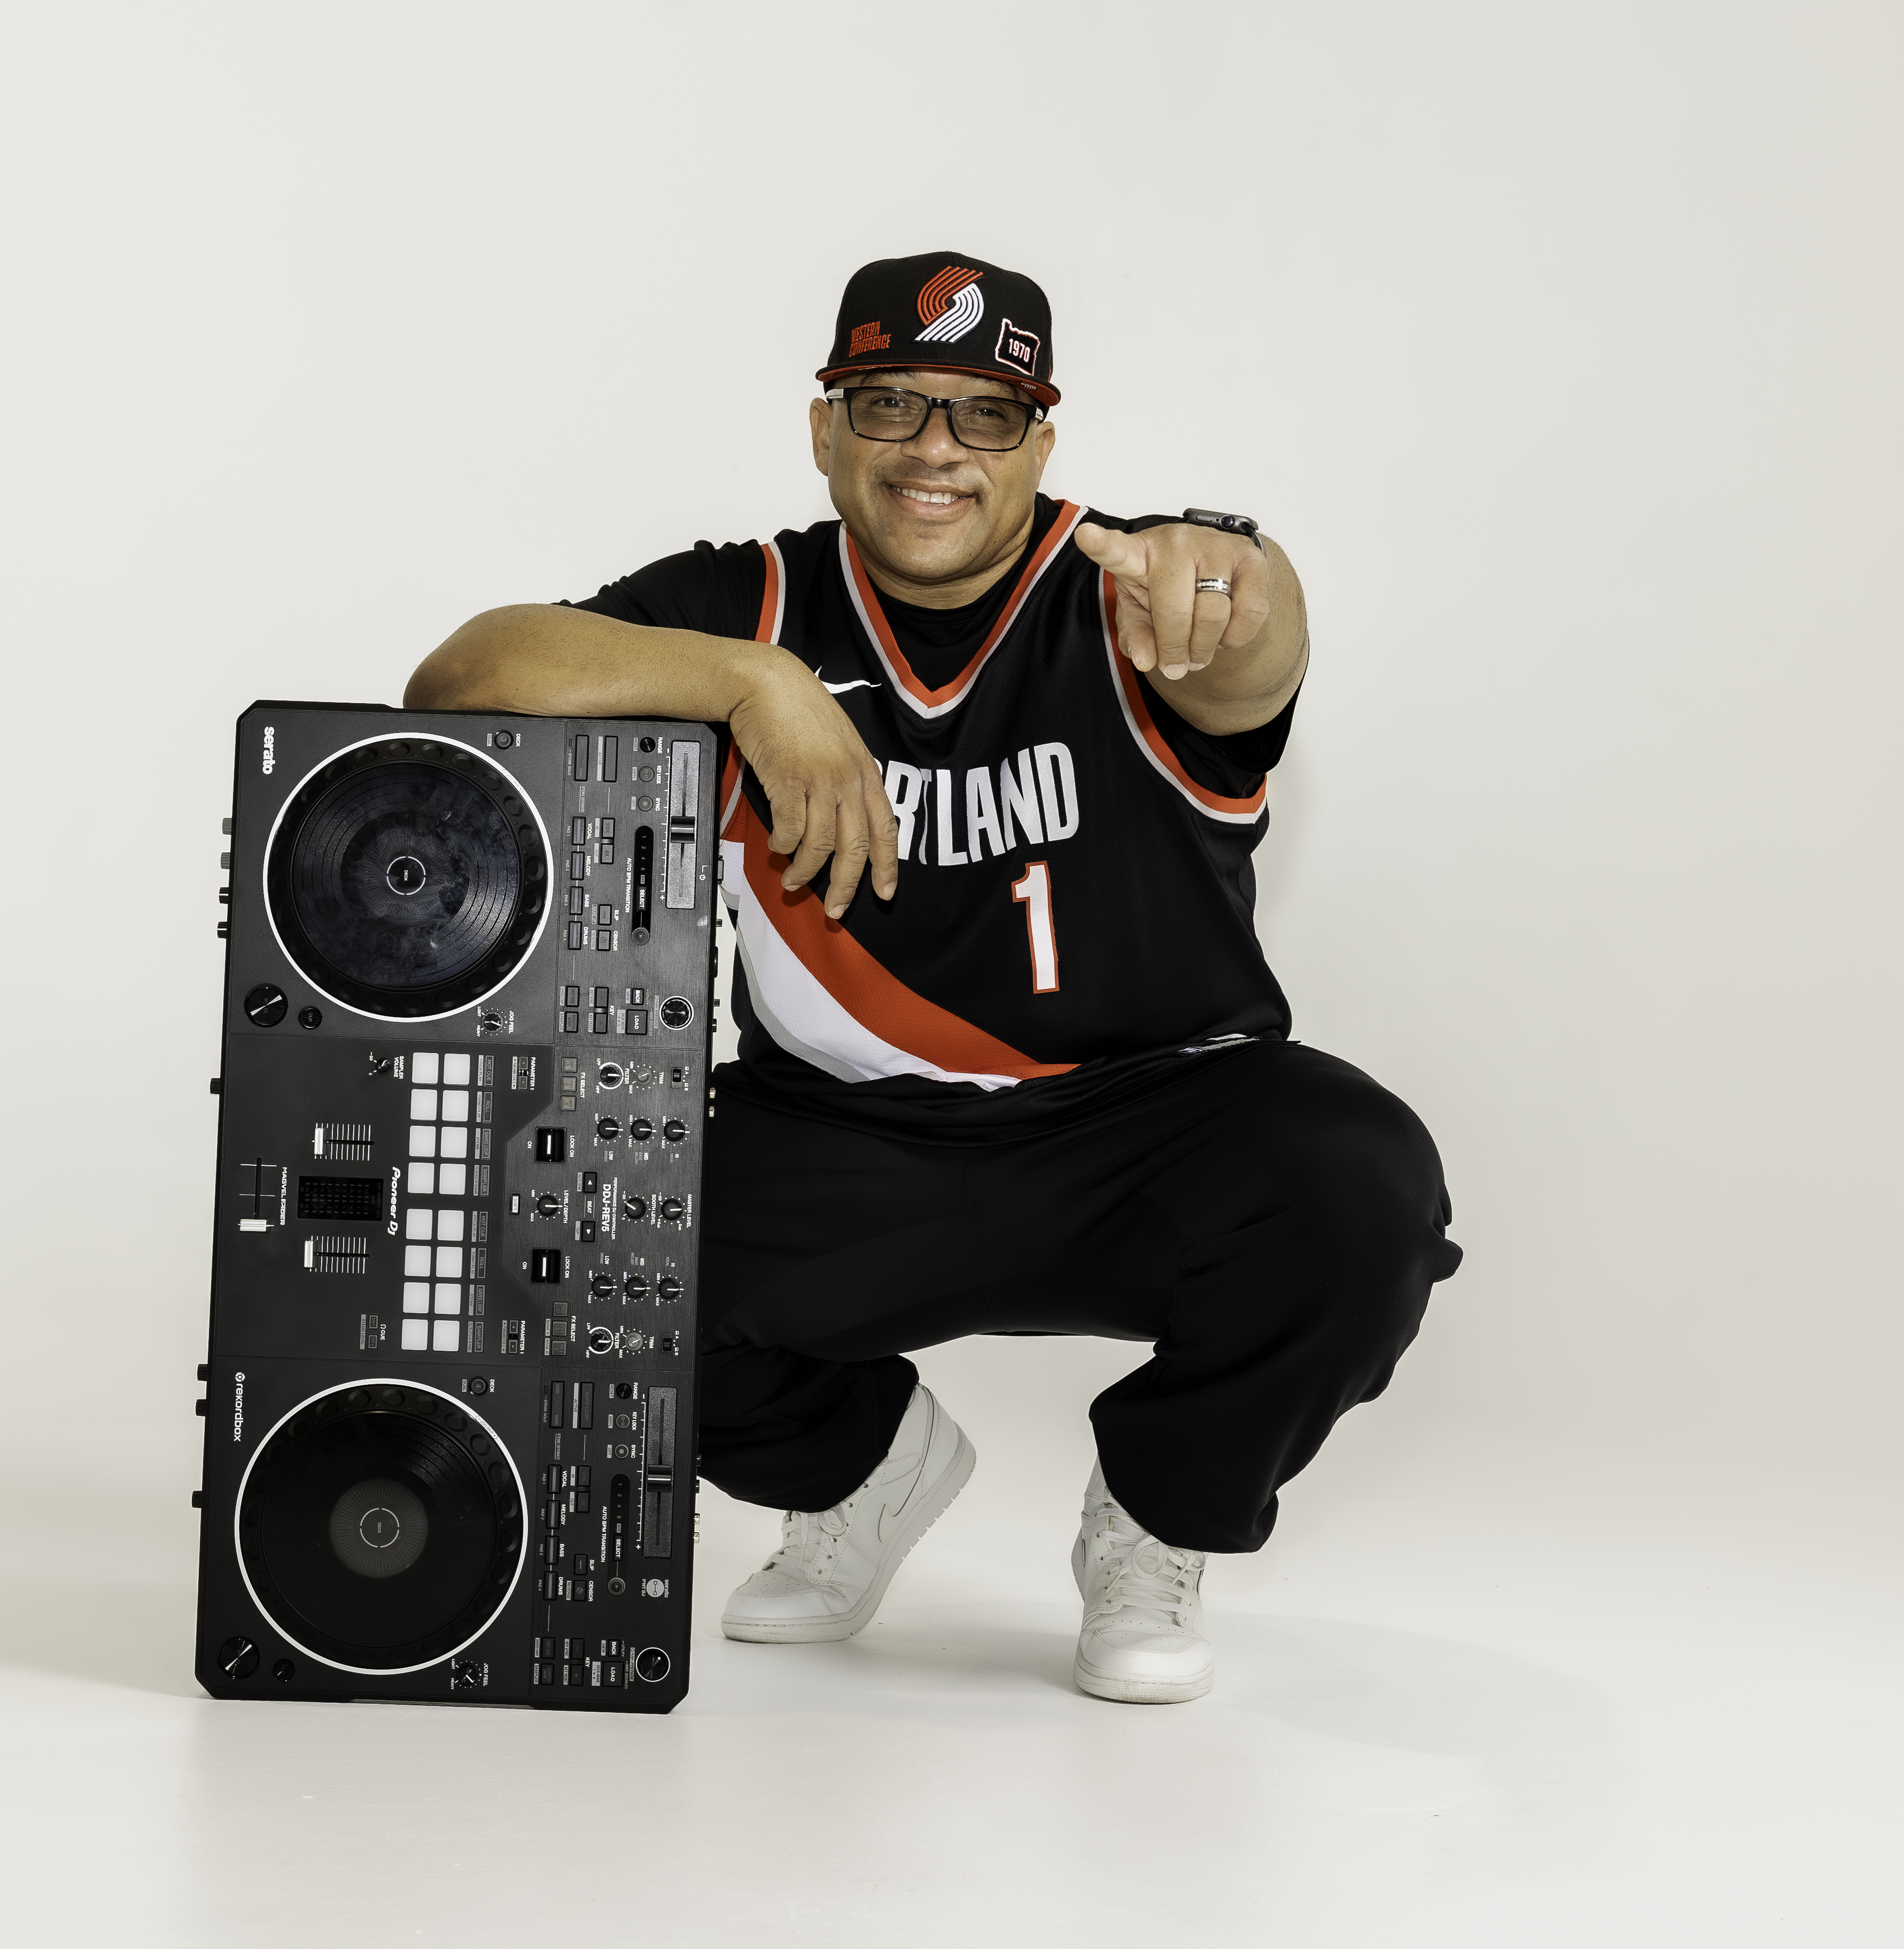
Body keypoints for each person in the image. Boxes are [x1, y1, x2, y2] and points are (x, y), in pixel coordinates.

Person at [407, 252, 1462, 1704]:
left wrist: (1245, 583)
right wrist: (752, 684)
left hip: (1143, 1129)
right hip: (844, 1136)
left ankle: (1154, 1522)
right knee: (552, 1233)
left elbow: (1249, 647)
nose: (935, 449)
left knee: (1360, 1184)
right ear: (826, 427)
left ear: (1041, 441)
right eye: (891, 404)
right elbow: (463, 678)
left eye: (985, 414)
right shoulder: (747, 604)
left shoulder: (1128, 595)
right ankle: (866, 1474)